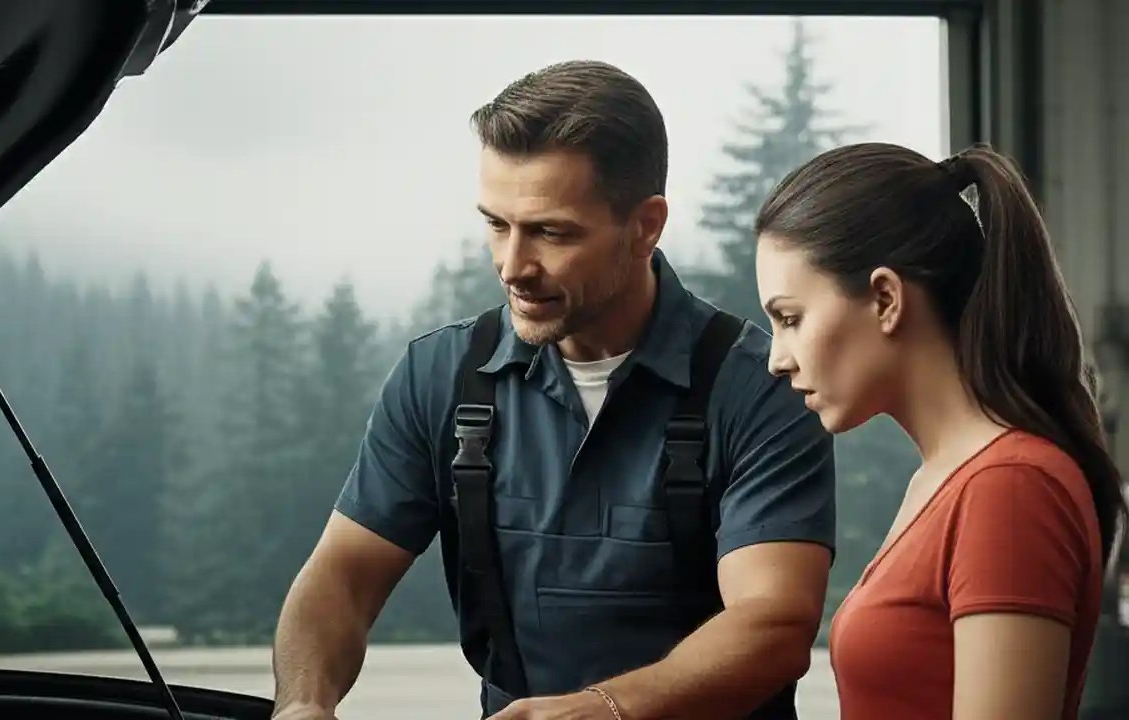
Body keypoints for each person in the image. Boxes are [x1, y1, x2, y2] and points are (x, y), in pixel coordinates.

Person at [271, 60, 836, 720]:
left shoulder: (760, 386)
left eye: (550, 232)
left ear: (645, 226)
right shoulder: (440, 377)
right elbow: (342, 577)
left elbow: (772, 625)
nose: (512, 266)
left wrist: (603, 711)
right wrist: (302, 704)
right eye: (496, 224)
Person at [752, 141, 1129, 720]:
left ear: (885, 298)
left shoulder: (1009, 488)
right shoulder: (947, 480)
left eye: (791, 319)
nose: (778, 358)